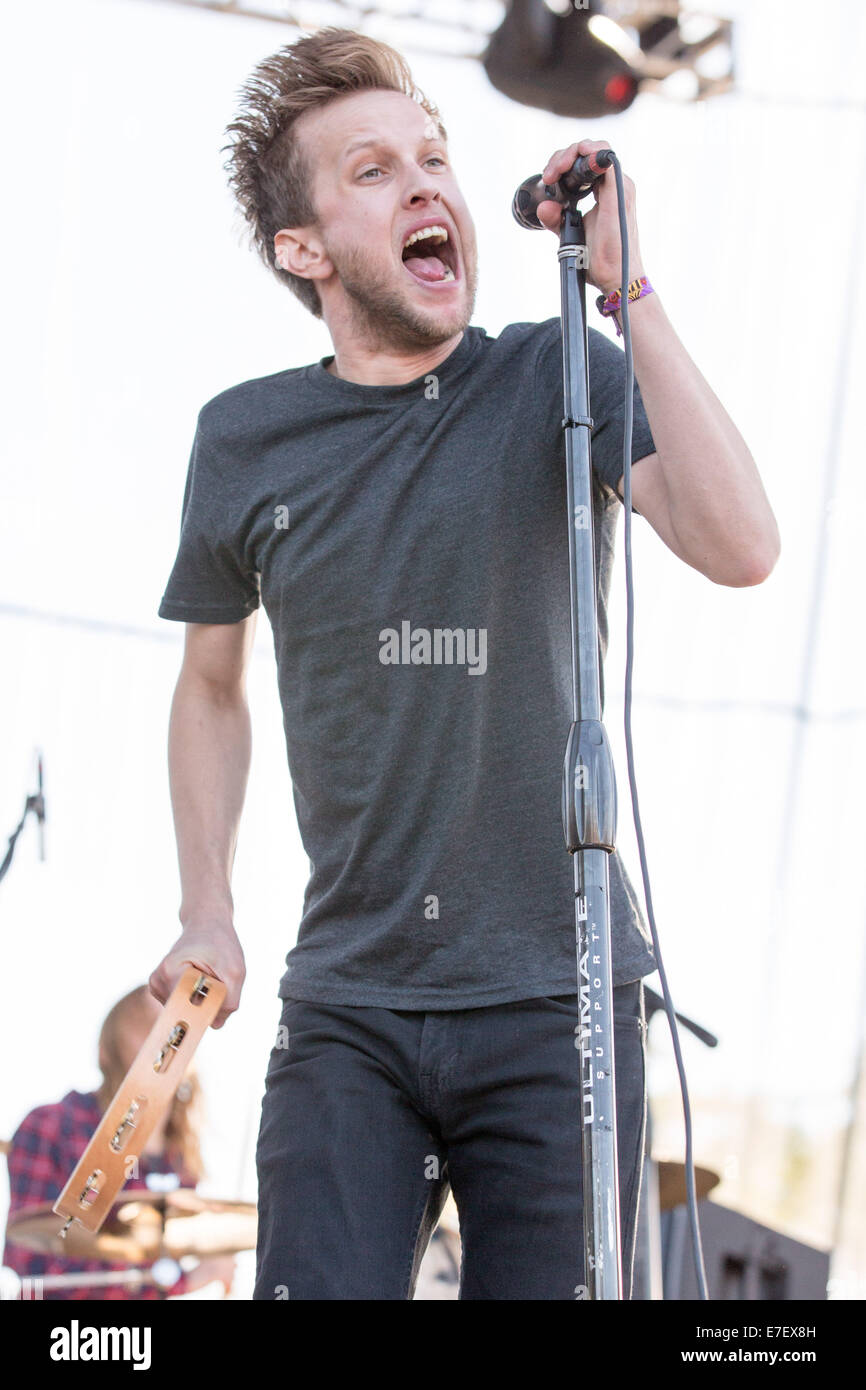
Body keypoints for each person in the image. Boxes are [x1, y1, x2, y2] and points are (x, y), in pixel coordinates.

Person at [149, 28, 780, 1300]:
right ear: (304, 249)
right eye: (373, 171)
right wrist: (205, 901)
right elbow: (210, 686)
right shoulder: (245, 439)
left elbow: (740, 544)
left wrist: (625, 293)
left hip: (562, 996)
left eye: (432, 157)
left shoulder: (557, 372)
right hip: (352, 1005)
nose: (425, 184)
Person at [4, 986, 234, 1299]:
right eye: (146, 1023)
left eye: (179, 1026)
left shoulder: (179, 1160)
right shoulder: (51, 1125)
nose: (166, 1037)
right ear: (107, 1049)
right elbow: (34, 1263)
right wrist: (181, 1283)